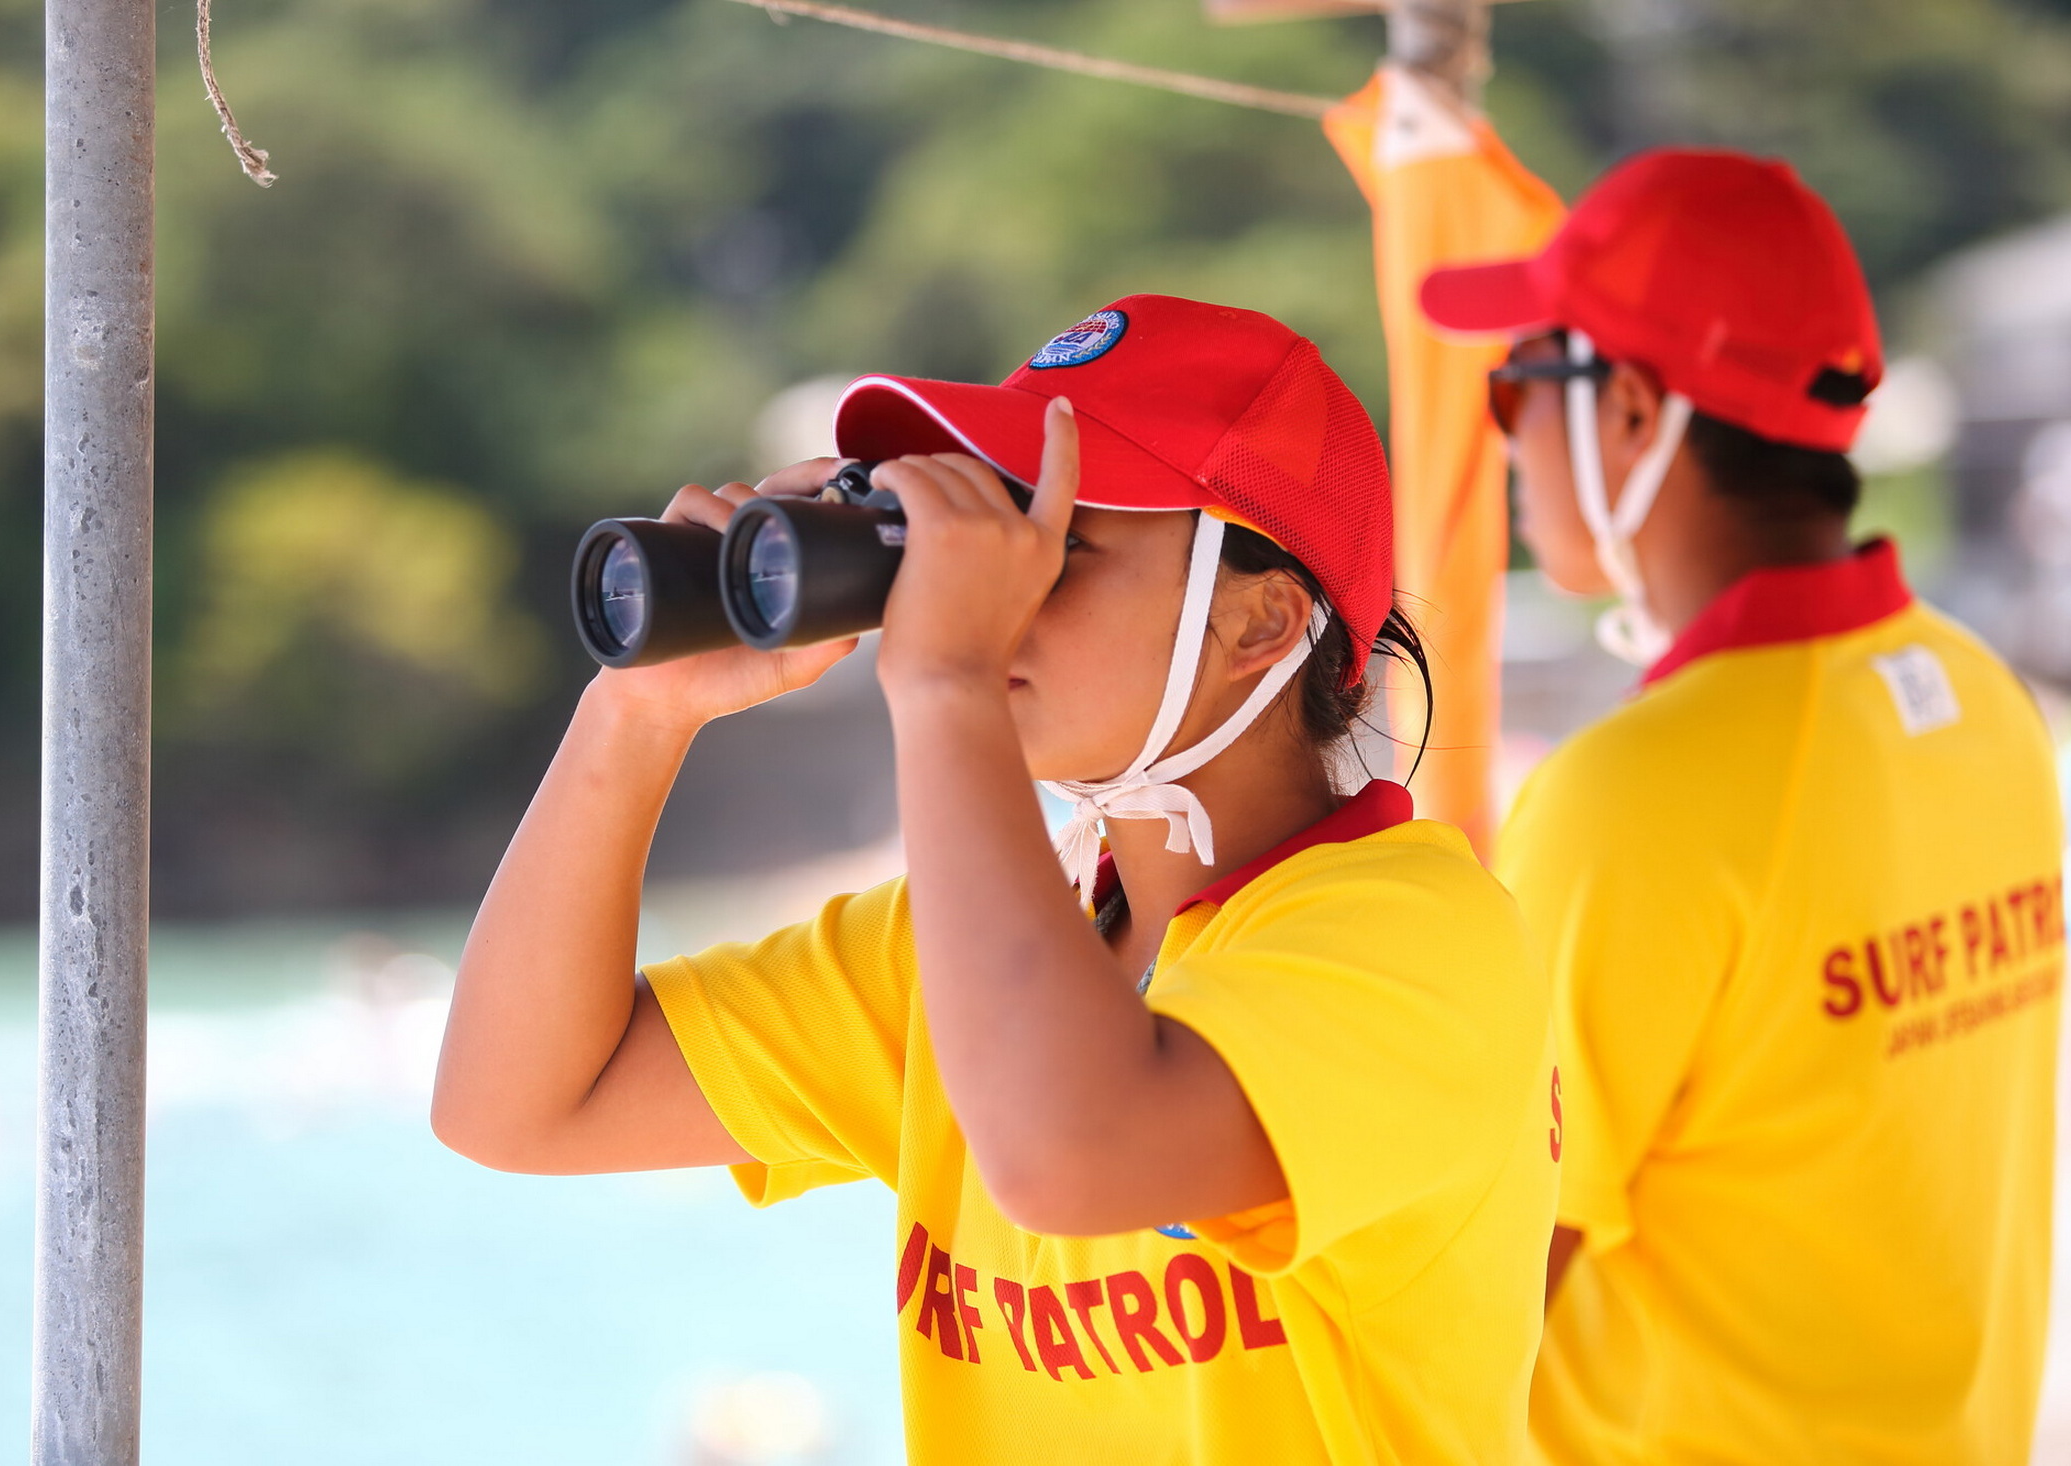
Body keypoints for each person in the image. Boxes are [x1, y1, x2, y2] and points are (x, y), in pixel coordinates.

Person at [431, 294, 1561, 1465]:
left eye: (1054, 544)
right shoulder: (950, 959)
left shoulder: (1417, 946)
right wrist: (638, 710)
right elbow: (514, 1103)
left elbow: (1073, 1150)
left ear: (1259, 623)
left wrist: (950, 685)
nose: (983, 591)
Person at [1420, 153, 2066, 1464]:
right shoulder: (1980, 692)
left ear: (1633, 413)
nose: (1504, 437)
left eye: (1520, 384)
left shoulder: (1635, 796)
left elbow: (1476, 1275)